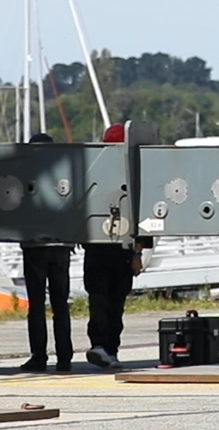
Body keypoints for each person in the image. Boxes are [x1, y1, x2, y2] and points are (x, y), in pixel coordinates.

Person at [84, 123, 146, 370]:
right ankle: (104, 346)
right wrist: (138, 253)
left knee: (107, 301)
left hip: (110, 247)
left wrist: (138, 253)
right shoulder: (132, 172)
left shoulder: (95, 169)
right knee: (107, 302)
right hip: (111, 247)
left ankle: (107, 347)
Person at [21, 132, 73, 373]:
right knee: (60, 304)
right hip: (61, 246)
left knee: (37, 305)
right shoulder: (65, 172)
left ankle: (39, 356)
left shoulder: (26, 174)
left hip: (34, 246)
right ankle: (64, 358)